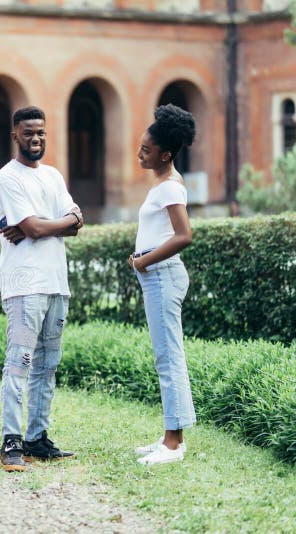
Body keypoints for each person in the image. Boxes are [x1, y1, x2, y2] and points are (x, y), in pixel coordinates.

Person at [0, 106, 83, 472]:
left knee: (48, 364)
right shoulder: (7, 177)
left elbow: (76, 221)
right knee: (20, 361)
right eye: (28, 132)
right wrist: (50, 225)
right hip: (24, 283)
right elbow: (34, 228)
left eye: (41, 132)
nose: (36, 138)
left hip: (56, 282)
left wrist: (42, 226)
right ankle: (11, 441)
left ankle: (37, 438)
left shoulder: (53, 176)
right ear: (15, 135)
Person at [129, 103, 196, 465]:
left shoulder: (169, 186)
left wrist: (145, 260)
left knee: (169, 358)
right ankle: (171, 435)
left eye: (146, 150)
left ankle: (173, 444)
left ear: (165, 154)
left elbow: (184, 235)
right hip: (158, 274)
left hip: (162, 275)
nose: (140, 154)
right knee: (166, 356)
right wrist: (142, 256)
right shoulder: (164, 182)